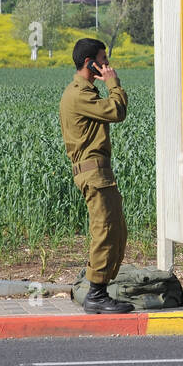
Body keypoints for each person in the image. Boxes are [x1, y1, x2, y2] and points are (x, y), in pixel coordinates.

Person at [60, 38, 133, 314]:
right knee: (104, 231)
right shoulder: (80, 94)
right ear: (89, 63)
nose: (107, 65)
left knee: (116, 230)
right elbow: (117, 111)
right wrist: (113, 83)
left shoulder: (83, 92)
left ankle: (100, 289)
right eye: (103, 61)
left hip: (99, 171)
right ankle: (96, 294)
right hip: (93, 173)